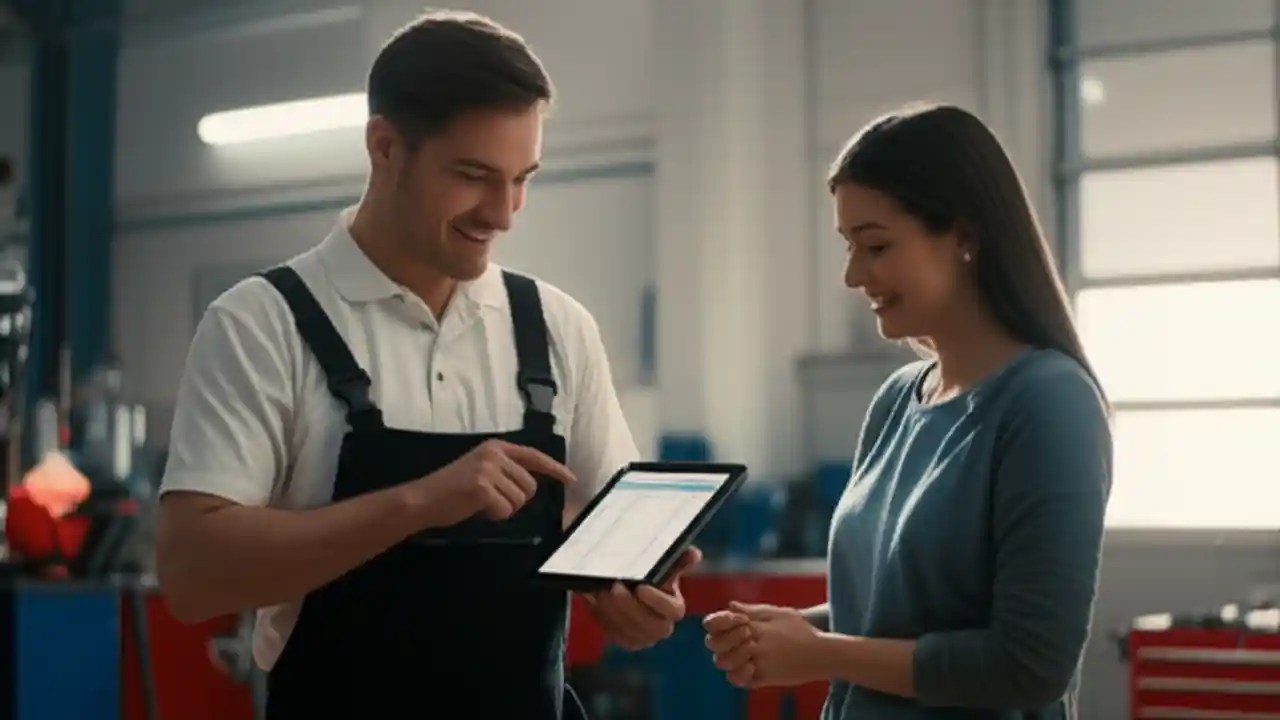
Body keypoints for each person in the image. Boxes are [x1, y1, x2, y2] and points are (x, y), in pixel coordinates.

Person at [153, 10, 699, 719]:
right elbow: (191, 574)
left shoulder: (559, 330)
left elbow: (615, 542)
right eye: (473, 176)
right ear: (385, 146)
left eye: (522, 179)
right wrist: (421, 503)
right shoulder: (262, 325)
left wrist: (643, 601)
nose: (503, 213)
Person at [703, 103, 1112, 719]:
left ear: (965, 236)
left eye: (876, 246)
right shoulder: (899, 399)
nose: (852, 275)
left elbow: (1028, 665)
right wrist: (791, 632)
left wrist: (825, 654)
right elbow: (889, 614)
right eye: (849, 246)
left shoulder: (1048, 404)